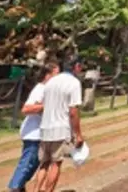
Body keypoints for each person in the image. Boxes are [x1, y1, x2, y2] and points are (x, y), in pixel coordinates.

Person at [34, 57, 86, 192]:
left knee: (44, 163)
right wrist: (78, 134)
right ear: (76, 67)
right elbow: (73, 111)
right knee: (56, 163)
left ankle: (36, 190)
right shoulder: (73, 83)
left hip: (45, 128)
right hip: (61, 129)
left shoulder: (50, 82)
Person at [8, 62, 59, 192]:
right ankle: (15, 187)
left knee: (33, 165)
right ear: (48, 76)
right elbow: (26, 109)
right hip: (33, 134)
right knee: (28, 164)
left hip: (41, 133)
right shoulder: (40, 89)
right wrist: (44, 106)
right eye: (56, 75)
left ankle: (19, 186)